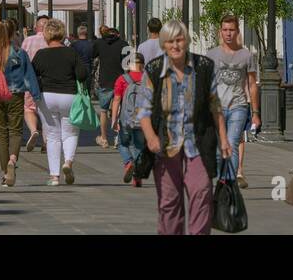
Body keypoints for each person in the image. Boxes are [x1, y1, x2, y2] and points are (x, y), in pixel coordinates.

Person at [137, 20, 229, 235]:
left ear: (186, 41)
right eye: (170, 42)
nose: (175, 46)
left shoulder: (204, 67)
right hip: (166, 146)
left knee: (201, 194)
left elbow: (215, 105)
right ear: (163, 45)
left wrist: (224, 138)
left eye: (179, 40)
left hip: (197, 144)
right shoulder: (154, 69)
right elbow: (143, 109)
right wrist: (150, 137)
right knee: (169, 204)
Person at [30, 18, 89, 186]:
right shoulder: (71, 53)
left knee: (52, 135)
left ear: (46, 35)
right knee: (70, 133)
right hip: (68, 96)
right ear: (62, 34)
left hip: (47, 97)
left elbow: (33, 75)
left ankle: (54, 176)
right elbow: (82, 74)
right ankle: (68, 162)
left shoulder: (41, 54)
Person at [206, 14, 259, 188]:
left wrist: (255, 113)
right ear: (220, 31)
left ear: (237, 31)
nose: (228, 33)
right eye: (225, 30)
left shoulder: (246, 55)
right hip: (217, 107)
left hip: (239, 105)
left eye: (232, 30)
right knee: (219, 147)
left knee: (232, 142)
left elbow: (252, 84)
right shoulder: (212, 54)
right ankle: (223, 176)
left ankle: (229, 183)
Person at [0, 18, 42, 186]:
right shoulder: (19, 52)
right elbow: (29, 75)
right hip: (16, 95)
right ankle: (12, 160)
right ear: (13, 34)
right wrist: (36, 95)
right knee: (16, 131)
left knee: (1, 133)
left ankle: (5, 173)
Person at [110, 51, 149, 186]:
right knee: (139, 146)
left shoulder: (122, 79)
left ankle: (128, 163)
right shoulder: (148, 79)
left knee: (122, 143)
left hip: (126, 119)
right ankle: (137, 176)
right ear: (143, 65)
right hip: (143, 120)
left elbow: (116, 100)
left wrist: (114, 119)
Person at [93, 24, 129, 149]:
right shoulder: (124, 44)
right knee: (119, 110)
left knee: (103, 110)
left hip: (105, 80)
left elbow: (93, 55)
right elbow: (128, 63)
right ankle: (118, 138)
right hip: (121, 80)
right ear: (117, 35)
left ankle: (104, 138)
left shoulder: (99, 43)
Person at [20, 15, 49, 151]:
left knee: (29, 108)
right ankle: (46, 142)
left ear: (37, 27)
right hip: (49, 82)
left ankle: (33, 130)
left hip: (30, 80)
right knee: (46, 112)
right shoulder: (53, 41)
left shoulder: (28, 40)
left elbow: (21, 60)